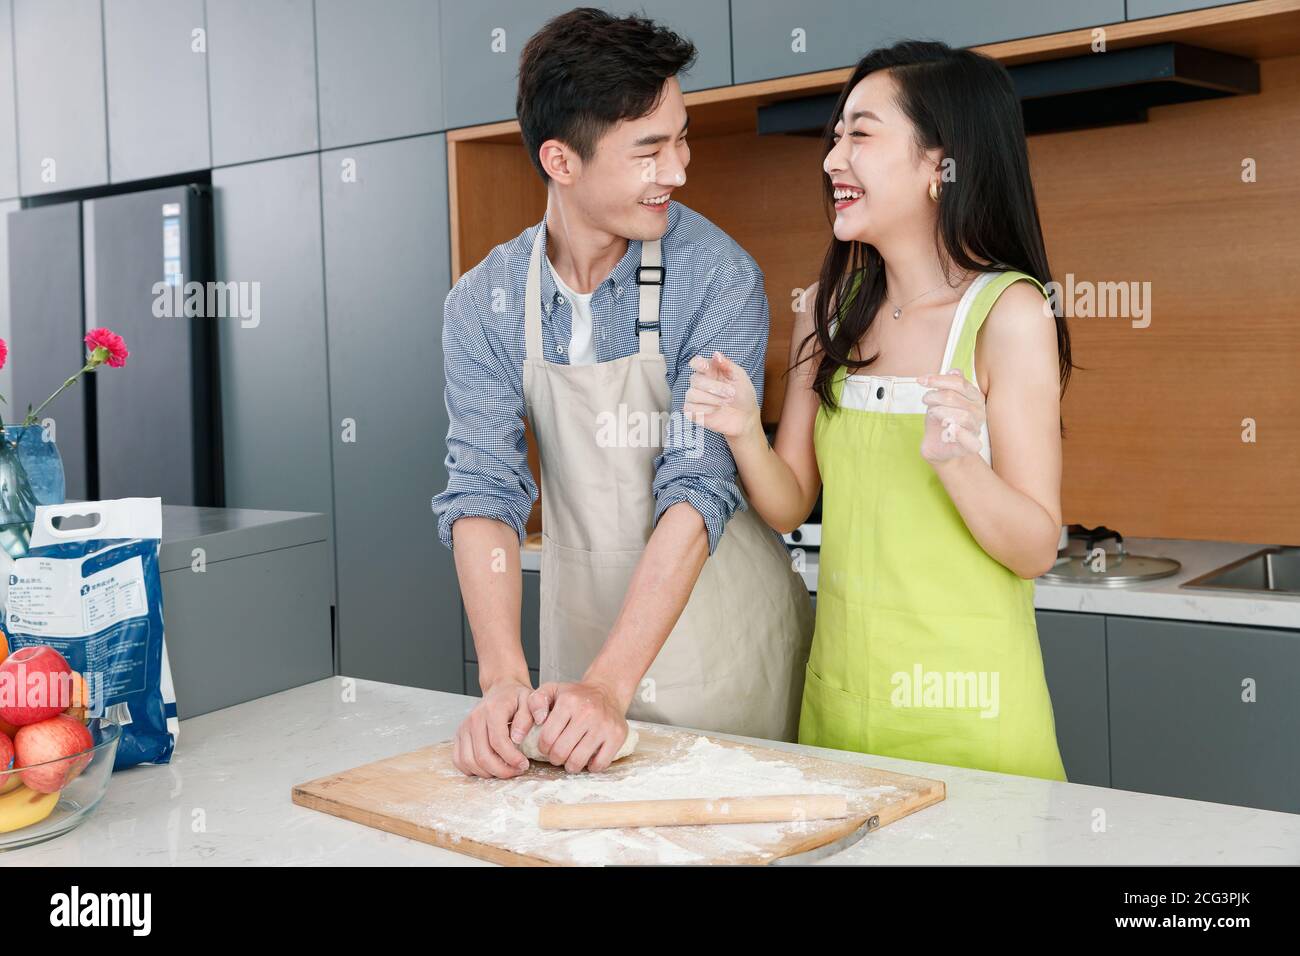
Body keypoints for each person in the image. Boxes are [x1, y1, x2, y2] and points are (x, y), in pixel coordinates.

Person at [433, 8, 813, 778]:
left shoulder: (717, 278)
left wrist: (612, 682)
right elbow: (483, 491)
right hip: (578, 652)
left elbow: (696, 484)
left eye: (681, 139)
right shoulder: (484, 305)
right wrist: (505, 675)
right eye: (649, 150)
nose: (676, 171)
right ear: (561, 162)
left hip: (720, 646)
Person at [684, 40, 1072, 780]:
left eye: (860, 134)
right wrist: (740, 428)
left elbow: (1034, 547)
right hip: (842, 704)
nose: (832, 158)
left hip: (971, 719)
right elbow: (788, 502)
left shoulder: (1009, 313)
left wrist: (961, 462)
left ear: (939, 163)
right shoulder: (829, 312)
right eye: (836, 135)